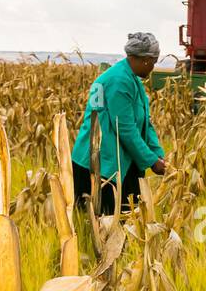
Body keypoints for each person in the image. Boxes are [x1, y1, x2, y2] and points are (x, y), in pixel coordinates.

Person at [70, 32, 168, 215]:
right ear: (145, 59)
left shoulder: (131, 79)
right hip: (100, 160)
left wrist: (157, 154)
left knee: (127, 218)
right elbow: (125, 129)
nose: (153, 67)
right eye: (153, 62)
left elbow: (145, 122)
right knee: (103, 221)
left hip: (118, 157)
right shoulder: (119, 81)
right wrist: (152, 162)